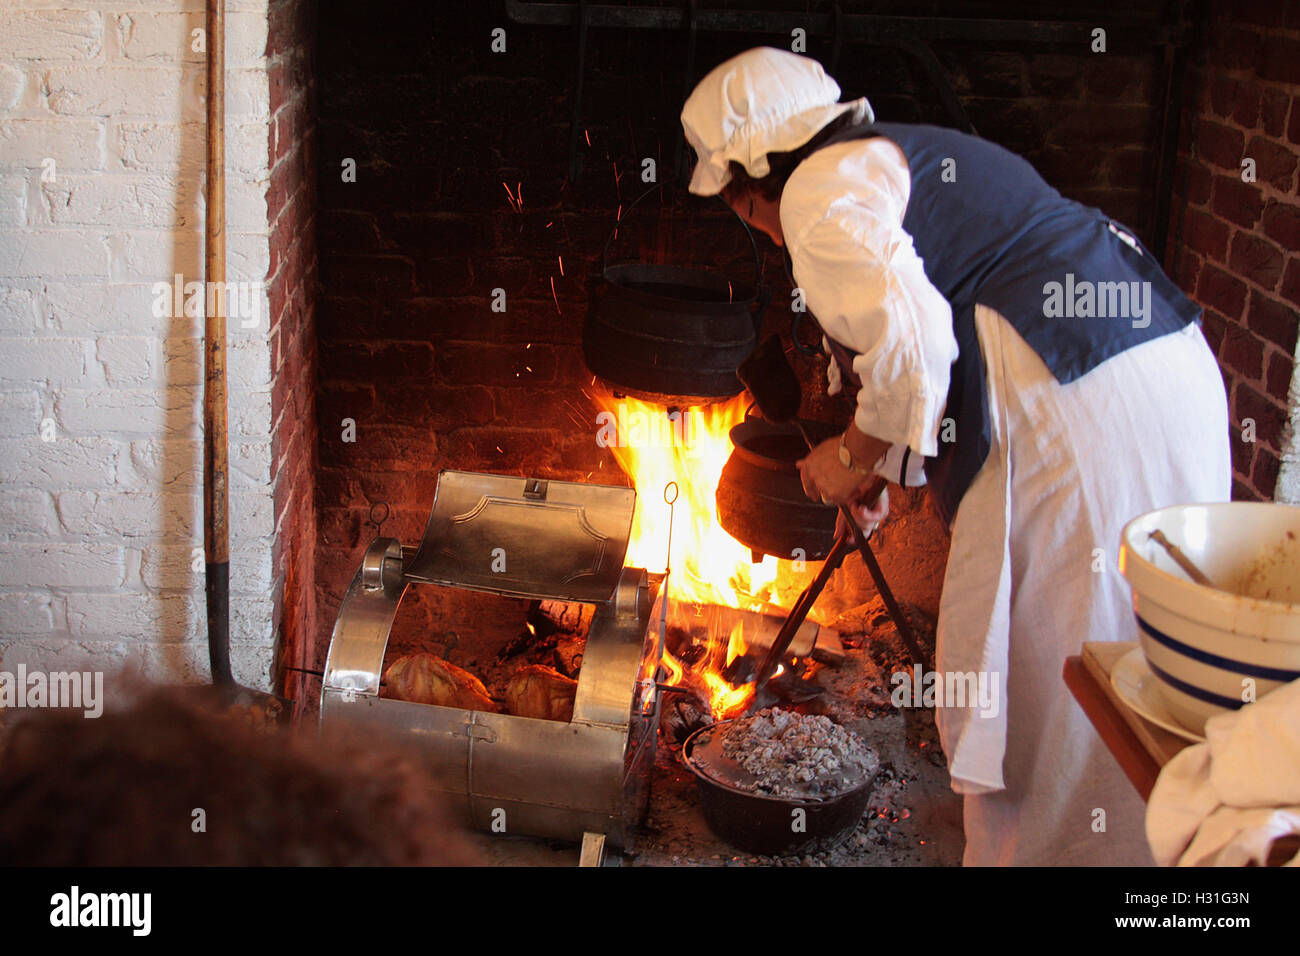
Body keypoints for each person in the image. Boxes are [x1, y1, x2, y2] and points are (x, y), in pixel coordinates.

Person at [682, 47, 1230, 865]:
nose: (747, 219)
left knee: (1051, 713)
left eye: (732, 200)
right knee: (1139, 675)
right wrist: (883, 475)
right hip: (1158, 380)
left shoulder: (817, 195)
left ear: (747, 177)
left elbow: (914, 349)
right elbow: (925, 336)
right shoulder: (887, 158)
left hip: (1074, 413)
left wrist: (848, 454)